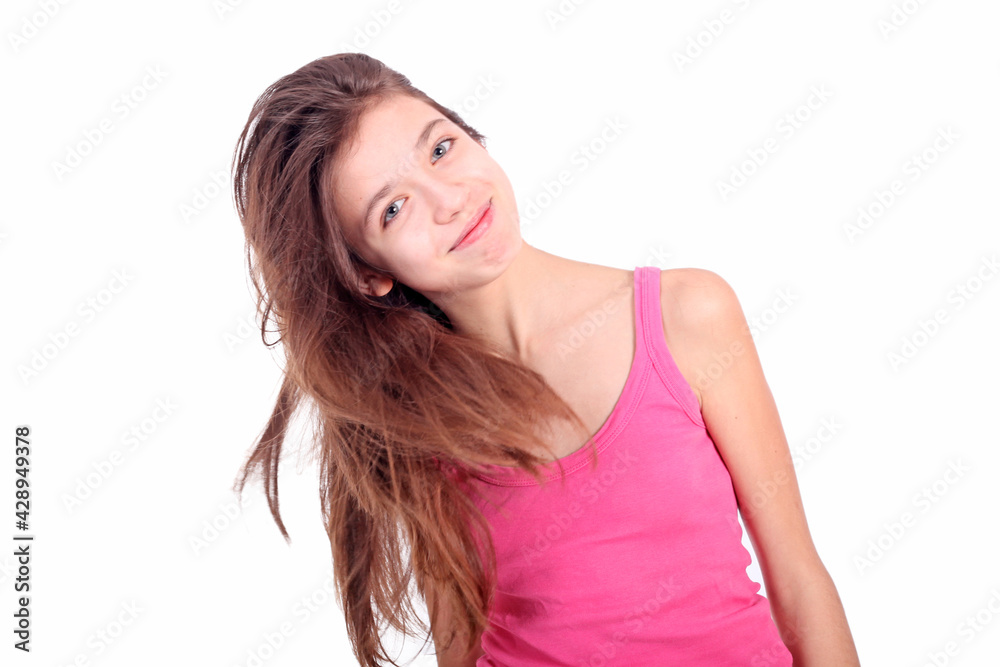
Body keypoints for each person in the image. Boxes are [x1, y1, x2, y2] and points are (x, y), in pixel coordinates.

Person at [230, 52, 860, 667]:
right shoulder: (416, 423)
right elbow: (460, 646)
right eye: (393, 209)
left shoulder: (686, 315)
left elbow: (799, 581)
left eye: (441, 148)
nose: (448, 199)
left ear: (471, 134)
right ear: (369, 275)